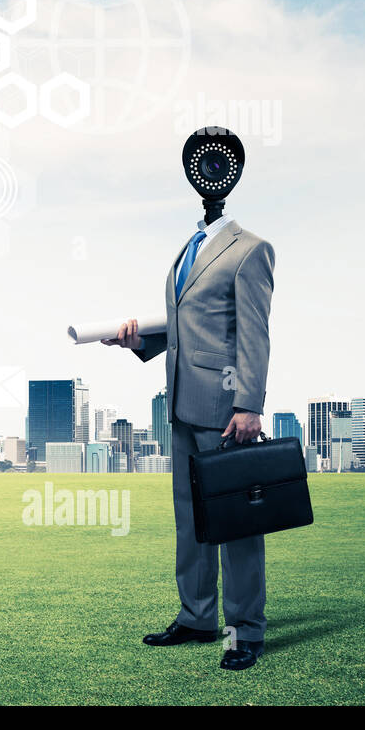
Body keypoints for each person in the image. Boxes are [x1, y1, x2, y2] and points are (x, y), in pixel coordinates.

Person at [102, 212, 275, 671]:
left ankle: (244, 632)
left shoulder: (250, 249)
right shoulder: (190, 245)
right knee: (192, 521)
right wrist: (139, 342)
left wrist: (249, 404)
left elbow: (254, 331)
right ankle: (198, 618)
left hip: (225, 407)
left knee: (236, 525)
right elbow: (189, 325)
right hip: (182, 403)